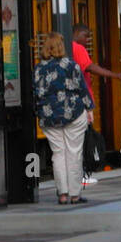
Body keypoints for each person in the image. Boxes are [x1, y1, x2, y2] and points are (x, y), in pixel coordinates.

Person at [32, 32, 93, 205]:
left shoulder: (38, 69)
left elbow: (36, 92)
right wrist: (89, 108)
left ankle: (63, 193)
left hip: (49, 116)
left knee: (58, 154)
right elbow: (82, 89)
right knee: (74, 152)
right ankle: (75, 194)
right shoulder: (71, 66)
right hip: (72, 112)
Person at [71, 24, 119, 186]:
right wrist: (115, 75)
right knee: (84, 138)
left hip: (74, 102)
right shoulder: (77, 48)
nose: (88, 39)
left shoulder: (69, 48)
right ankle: (83, 173)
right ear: (76, 34)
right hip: (83, 102)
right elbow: (89, 67)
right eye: (86, 35)